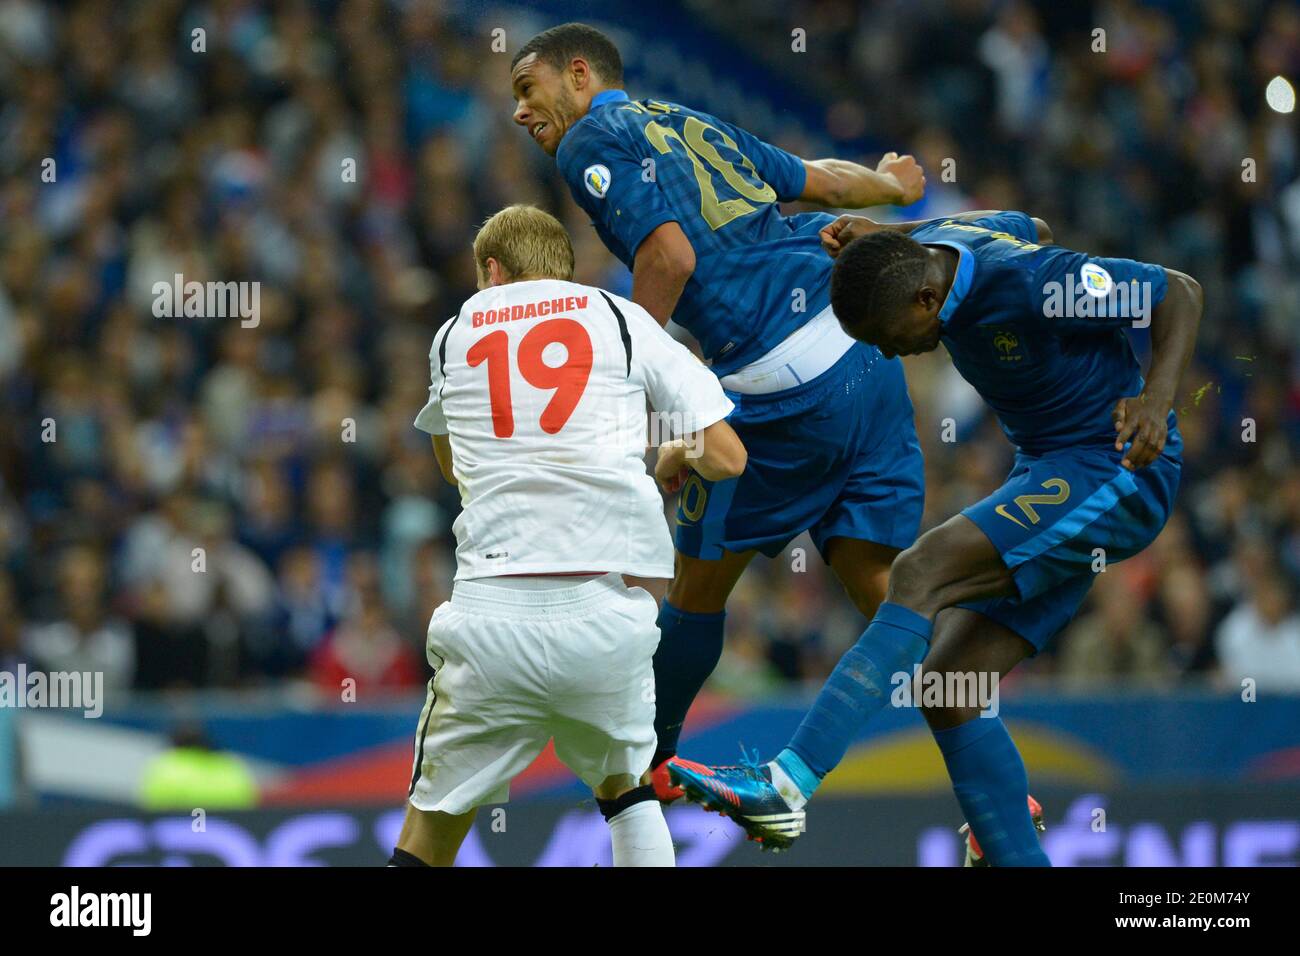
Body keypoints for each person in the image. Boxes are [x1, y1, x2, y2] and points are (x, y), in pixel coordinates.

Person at [670, 210, 1202, 863]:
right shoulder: (930, 258)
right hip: (1050, 466)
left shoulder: (1032, 284)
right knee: (949, 684)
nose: (893, 353)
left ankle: (785, 785)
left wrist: (1157, 397)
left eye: (892, 338)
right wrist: (885, 235)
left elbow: (1176, 289)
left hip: (1113, 464)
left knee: (921, 571)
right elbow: (1029, 222)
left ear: (927, 298)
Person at [509, 23, 927, 805]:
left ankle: (649, 769)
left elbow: (669, 258)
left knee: (697, 586)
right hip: (865, 353)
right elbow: (823, 183)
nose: (522, 114)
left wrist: (633, 383)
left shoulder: (588, 140)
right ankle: (995, 790)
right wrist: (893, 188)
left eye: (527, 91)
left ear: (576, 74)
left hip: (785, 386)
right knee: (892, 597)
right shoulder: (688, 120)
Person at [389, 204, 745, 867]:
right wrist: (667, 450)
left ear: (492, 271)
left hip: (491, 614)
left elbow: (454, 468)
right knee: (628, 794)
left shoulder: (454, 333)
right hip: (605, 615)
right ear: (562, 269)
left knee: (430, 831)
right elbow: (727, 457)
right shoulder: (618, 318)